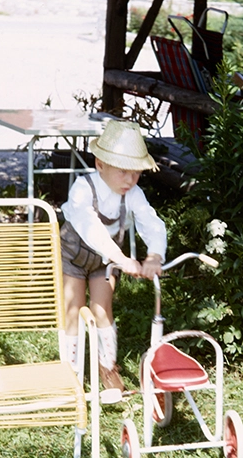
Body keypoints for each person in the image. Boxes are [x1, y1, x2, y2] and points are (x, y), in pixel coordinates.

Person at [60, 120, 167, 404]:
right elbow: (89, 227)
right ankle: (69, 373)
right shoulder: (83, 189)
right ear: (100, 164)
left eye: (136, 173)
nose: (130, 180)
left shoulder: (133, 195)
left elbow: (152, 224)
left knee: (102, 309)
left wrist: (154, 256)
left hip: (103, 263)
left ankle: (107, 367)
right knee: (72, 309)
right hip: (74, 254)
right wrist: (122, 259)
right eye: (123, 172)